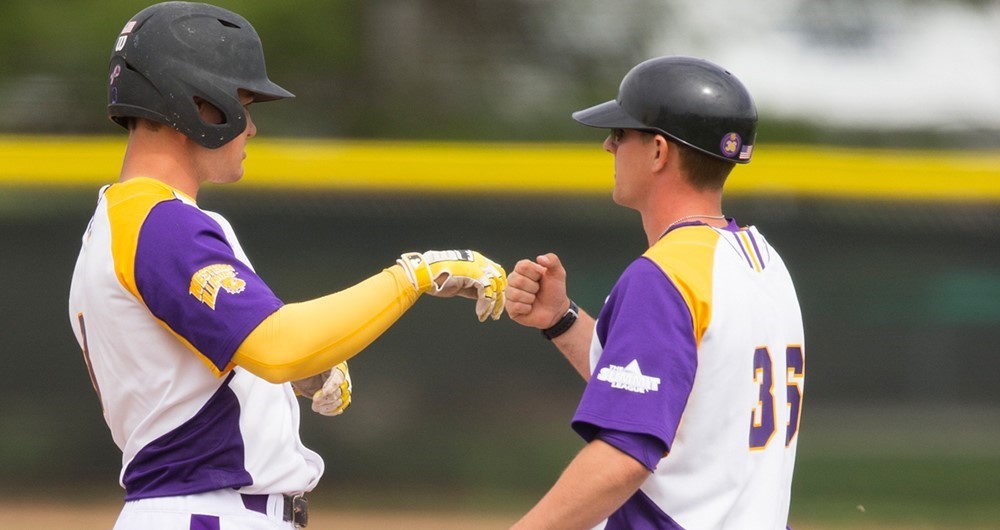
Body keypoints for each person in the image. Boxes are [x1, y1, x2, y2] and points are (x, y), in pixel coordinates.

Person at [67, 2, 507, 529]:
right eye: (242, 102)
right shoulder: (161, 223)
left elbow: (209, 369)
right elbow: (278, 346)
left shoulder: (124, 219)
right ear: (196, 103)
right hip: (208, 513)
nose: (250, 127)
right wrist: (412, 275)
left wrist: (280, 381)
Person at [504, 56, 805, 530]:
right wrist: (561, 317)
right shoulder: (763, 262)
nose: (608, 145)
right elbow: (674, 396)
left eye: (621, 134)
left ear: (659, 151)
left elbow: (624, 454)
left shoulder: (666, 276)